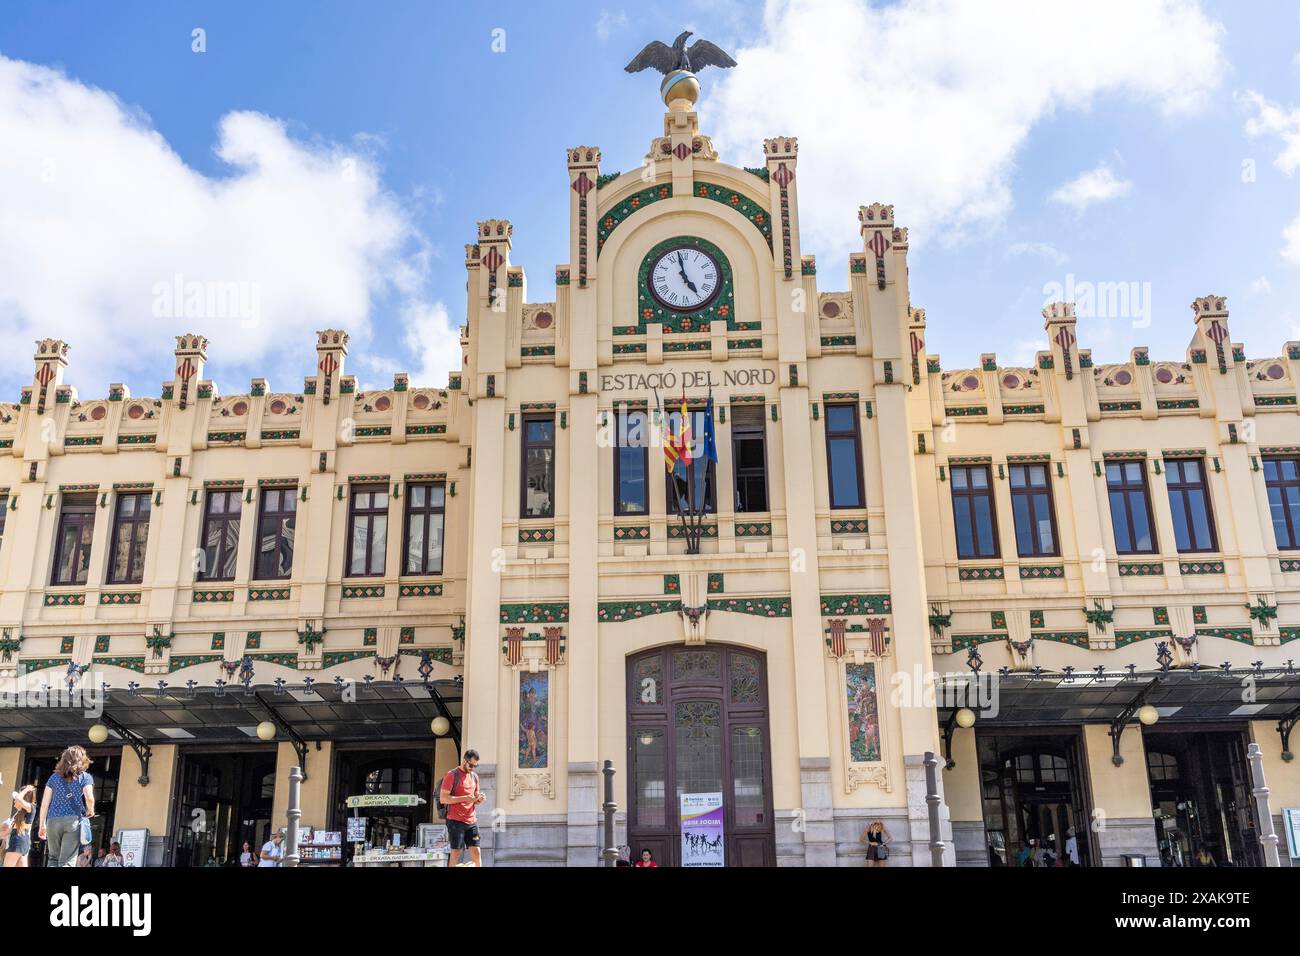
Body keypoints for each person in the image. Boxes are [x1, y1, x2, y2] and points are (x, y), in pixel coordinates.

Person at [37, 745, 95, 867]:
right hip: (73, 820)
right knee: (67, 860)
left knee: (53, 858)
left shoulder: (53, 777)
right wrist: (91, 810)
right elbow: (89, 798)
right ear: (82, 760)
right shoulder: (85, 777)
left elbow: (44, 804)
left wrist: (42, 824)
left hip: (53, 820)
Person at [439, 749, 486, 867]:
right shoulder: (451, 775)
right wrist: (465, 798)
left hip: (472, 820)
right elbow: (443, 799)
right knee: (456, 851)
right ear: (464, 761)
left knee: (477, 851)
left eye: (475, 766)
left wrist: (479, 799)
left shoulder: (475, 777)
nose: (472, 768)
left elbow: (474, 798)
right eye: (471, 765)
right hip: (455, 820)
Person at [3, 785, 36, 867]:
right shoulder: (18, 815)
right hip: (22, 845)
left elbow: (18, 799)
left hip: (17, 844)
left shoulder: (31, 807)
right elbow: (6, 832)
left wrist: (26, 790)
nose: (14, 800)